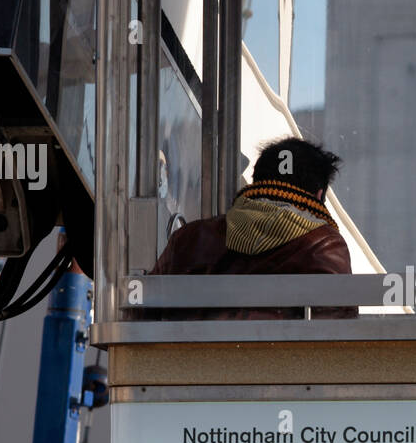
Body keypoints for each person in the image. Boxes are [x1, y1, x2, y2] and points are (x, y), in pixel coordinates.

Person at [149, 136, 355, 319]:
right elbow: (338, 334)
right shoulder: (324, 244)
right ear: (319, 196)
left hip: (187, 360)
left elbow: (142, 311)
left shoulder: (188, 238)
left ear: (255, 184)